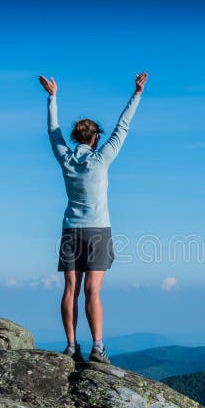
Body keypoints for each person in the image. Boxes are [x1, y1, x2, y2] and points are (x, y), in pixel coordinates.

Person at [38, 72, 149, 364]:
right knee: (93, 291)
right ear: (96, 138)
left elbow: (53, 132)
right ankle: (98, 348)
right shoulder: (102, 159)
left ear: (76, 138)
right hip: (98, 231)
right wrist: (136, 93)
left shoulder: (65, 158)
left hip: (70, 230)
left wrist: (52, 97)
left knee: (71, 289)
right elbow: (123, 127)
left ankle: (71, 346)